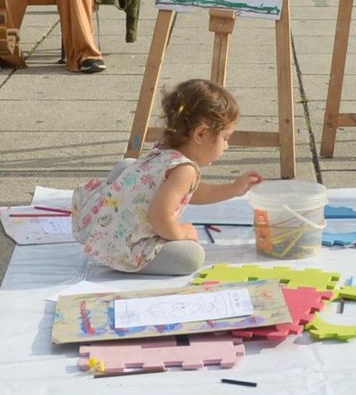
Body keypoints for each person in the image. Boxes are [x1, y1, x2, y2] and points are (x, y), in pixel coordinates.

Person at [72, 78, 262, 276]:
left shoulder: (165, 150)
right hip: (122, 247)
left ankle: (106, 235)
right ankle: (118, 255)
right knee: (192, 256)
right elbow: (159, 219)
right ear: (201, 134)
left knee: (127, 165)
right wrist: (183, 233)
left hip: (99, 225)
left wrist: (233, 188)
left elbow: (192, 192)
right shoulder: (184, 170)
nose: (226, 146)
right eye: (225, 138)